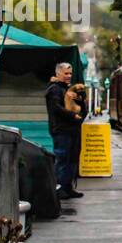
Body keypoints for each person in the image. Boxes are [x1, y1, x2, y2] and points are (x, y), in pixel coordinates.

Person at [45, 63, 84, 199]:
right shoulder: (54, 89)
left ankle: (67, 187)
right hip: (61, 129)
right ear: (58, 73)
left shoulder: (67, 89)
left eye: (70, 73)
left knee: (72, 160)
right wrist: (73, 116)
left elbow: (78, 104)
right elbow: (56, 108)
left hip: (72, 129)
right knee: (62, 159)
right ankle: (59, 187)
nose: (69, 76)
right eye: (66, 73)